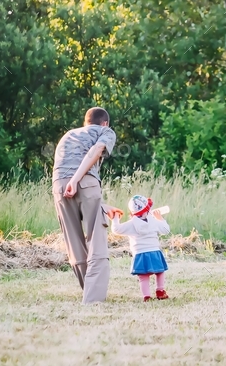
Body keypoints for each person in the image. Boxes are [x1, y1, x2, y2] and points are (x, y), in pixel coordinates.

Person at [52, 107, 124, 305]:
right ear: (105, 123)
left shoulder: (68, 135)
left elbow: (65, 167)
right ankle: (93, 299)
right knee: (96, 239)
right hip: (83, 180)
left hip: (59, 185)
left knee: (74, 241)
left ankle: (88, 291)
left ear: (85, 123)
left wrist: (103, 205)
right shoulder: (105, 132)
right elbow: (95, 151)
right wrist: (76, 180)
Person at [109, 195, 171, 302]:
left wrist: (115, 218)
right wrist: (160, 218)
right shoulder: (154, 221)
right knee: (160, 272)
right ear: (147, 209)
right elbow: (166, 230)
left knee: (143, 277)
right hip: (154, 251)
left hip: (140, 253)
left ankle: (146, 296)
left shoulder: (131, 224)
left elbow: (116, 229)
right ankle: (160, 291)